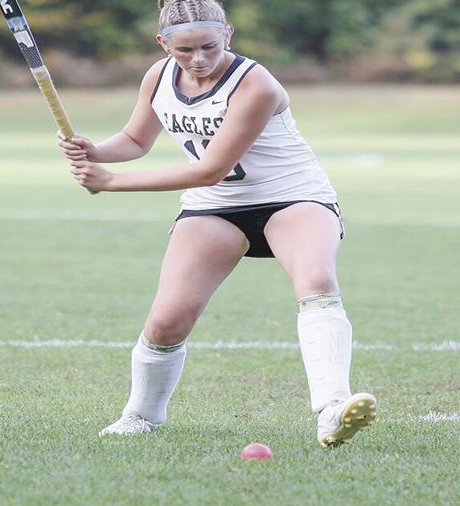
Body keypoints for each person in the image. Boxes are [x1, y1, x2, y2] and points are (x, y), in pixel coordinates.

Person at [58, 0, 376, 446]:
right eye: (184, 50)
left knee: (316, 280)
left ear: (227, 34)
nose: (199, 59)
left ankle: (332, 408)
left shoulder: (255, 84)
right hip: (215, 207)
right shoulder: (158, 76)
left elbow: (210, 167)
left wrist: (110, 183)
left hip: (293, 197)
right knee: (168, 320)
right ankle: (141, 416)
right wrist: (94, 151)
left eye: (209, 46)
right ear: (163, 43)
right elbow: (134, 139)